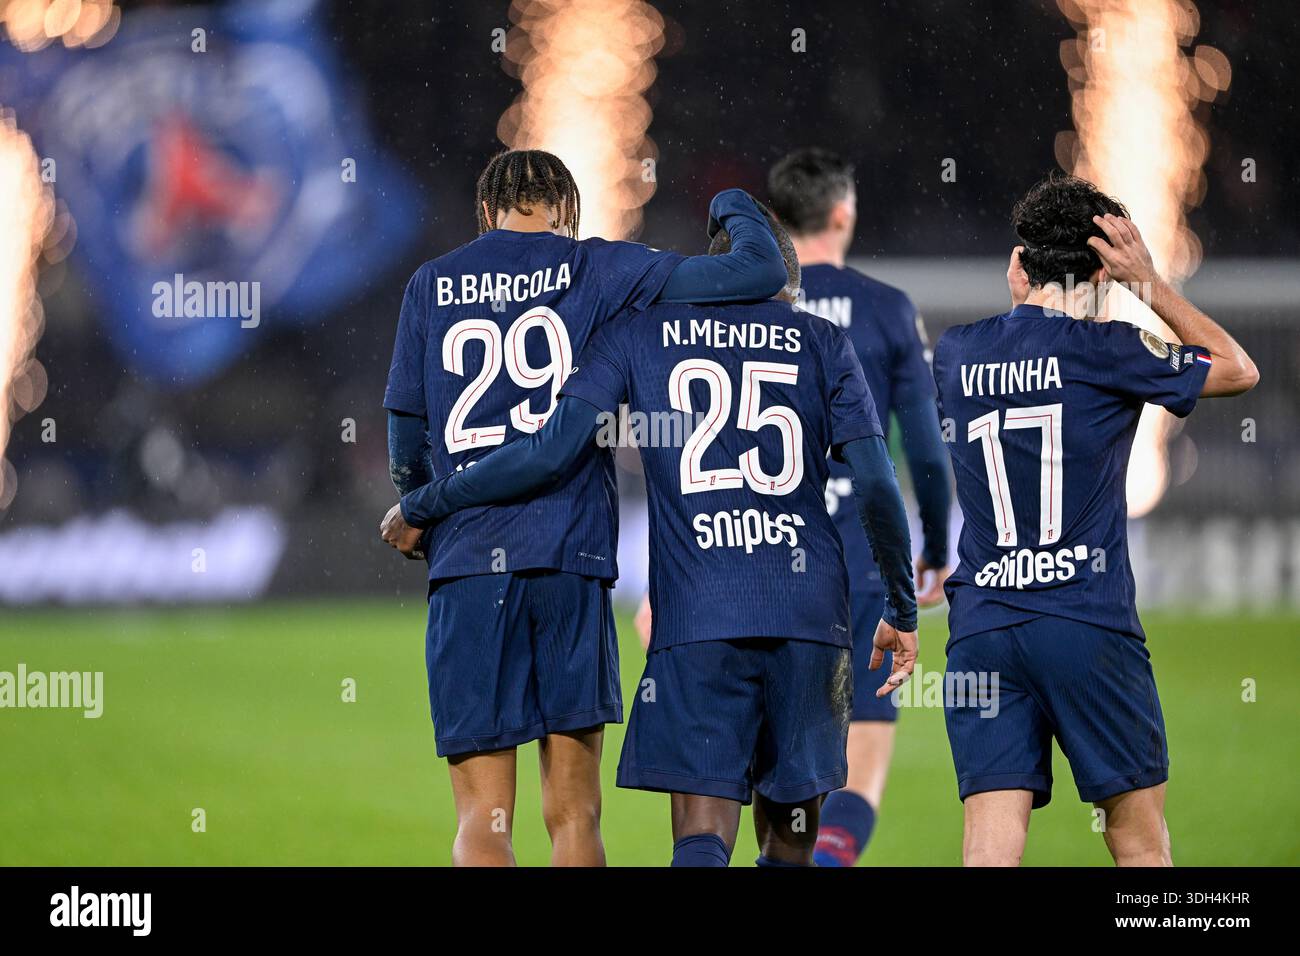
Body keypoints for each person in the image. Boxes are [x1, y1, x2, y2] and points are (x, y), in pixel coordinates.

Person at [383, 207, 920, 866]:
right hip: (808, 617)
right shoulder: (822, 340)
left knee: (700, 836)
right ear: (790, 284)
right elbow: (877, 482)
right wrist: (899, 606)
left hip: (698, 617)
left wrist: (429, 499)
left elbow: (548, 451)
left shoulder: (640, 335)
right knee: (791, 846)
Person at [933, 172, 1258, 866]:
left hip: (983, 625)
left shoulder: (957, 354)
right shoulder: (1110, 350)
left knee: (988, 851)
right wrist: (1150, 286)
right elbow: (1237, 368)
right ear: (1106, 274)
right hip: (1084, 621)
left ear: (1018, 266)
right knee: (1138, 842)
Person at [766, 146, 953, 866]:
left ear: (777, 221)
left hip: (761, 558)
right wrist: (935, 547)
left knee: (778, 773)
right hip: (860, 563)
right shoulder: (885, 309)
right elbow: (927, 454)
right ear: (842, 213)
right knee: (860, 768)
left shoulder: (749, 307)